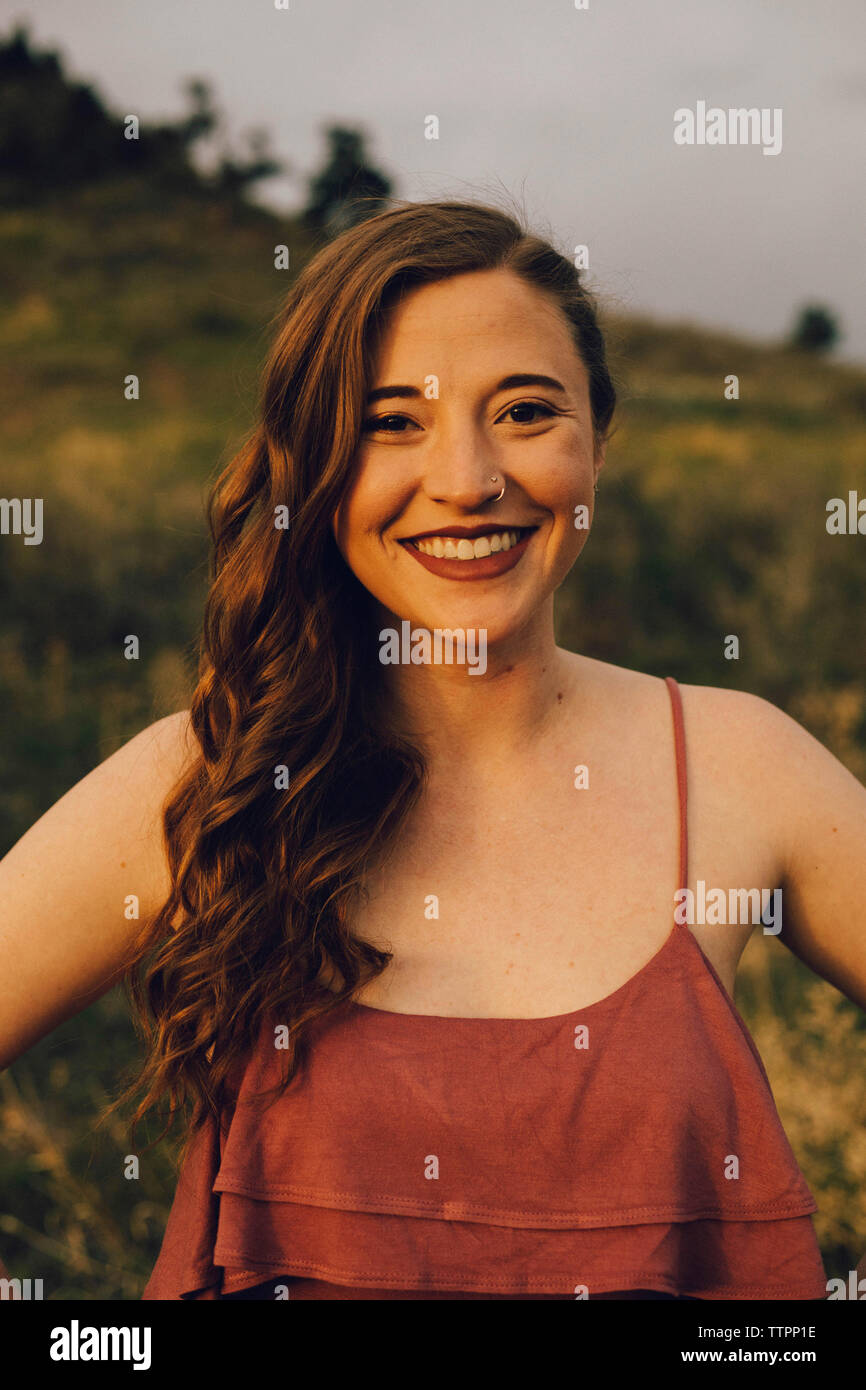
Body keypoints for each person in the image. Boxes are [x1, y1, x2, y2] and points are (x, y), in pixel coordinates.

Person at [2, 200, 864, 1301]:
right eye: (391, 422)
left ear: (598, 440)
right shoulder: (211, 774)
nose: (465, 478)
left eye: (523, 411)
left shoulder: (742, 765)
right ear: (312, 462)